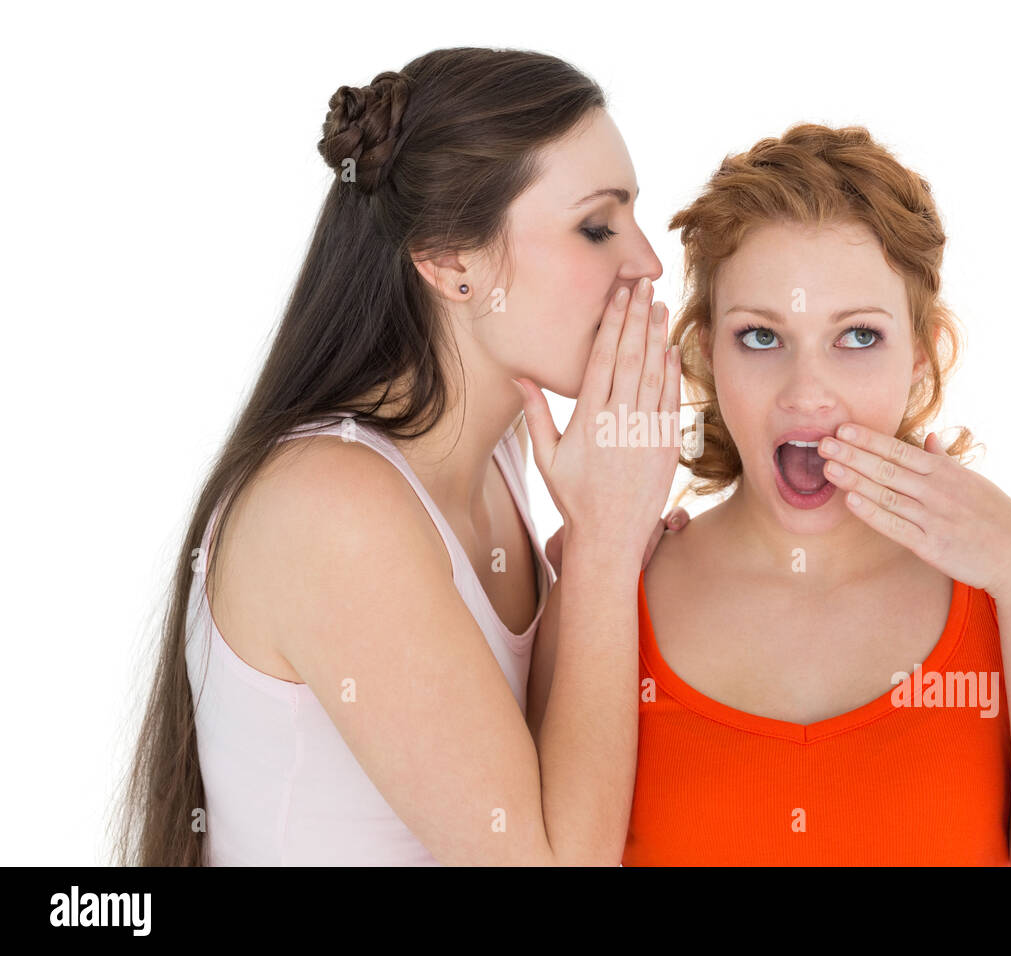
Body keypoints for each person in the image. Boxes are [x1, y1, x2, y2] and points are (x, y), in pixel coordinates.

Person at [111, 47, 683, 866]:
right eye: (597, 226)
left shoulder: (499, 461)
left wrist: (588, 582)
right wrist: (601, 554)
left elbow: (536, 771)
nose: (647, 263)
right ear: (451, 262)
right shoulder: (332, 507)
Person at [538, 122, 1011, 864]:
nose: (807, 393)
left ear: (922, 359)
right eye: (761, 337)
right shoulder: (606, 591)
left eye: (858, 336)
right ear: (704, 354)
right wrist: (601, 565)